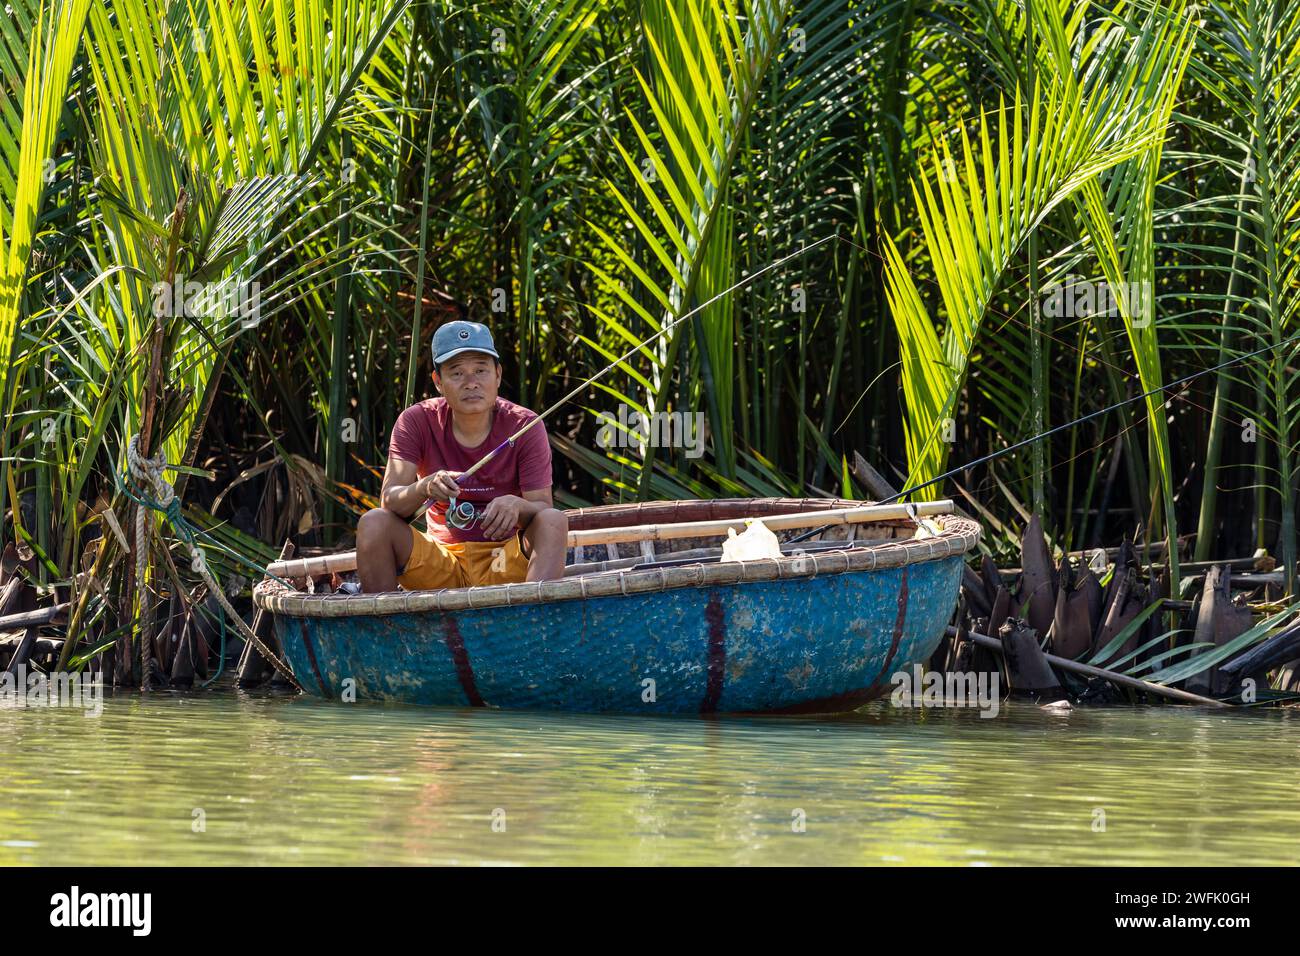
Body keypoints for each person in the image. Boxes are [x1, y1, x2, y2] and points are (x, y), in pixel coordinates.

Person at [355, 320, 568, 592]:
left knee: (553, 521)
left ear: (498, 375)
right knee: (373, 523)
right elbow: (390, 501)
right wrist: (424, 487)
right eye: (457, 373)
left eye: (481, 370)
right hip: (440, 562)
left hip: (504, 562)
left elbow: (542, 507)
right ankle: (386, 630)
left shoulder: (525, 425)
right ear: (438, 382)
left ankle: (535, 624)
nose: (471, 383)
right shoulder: (416, 421)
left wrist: (517, 505)